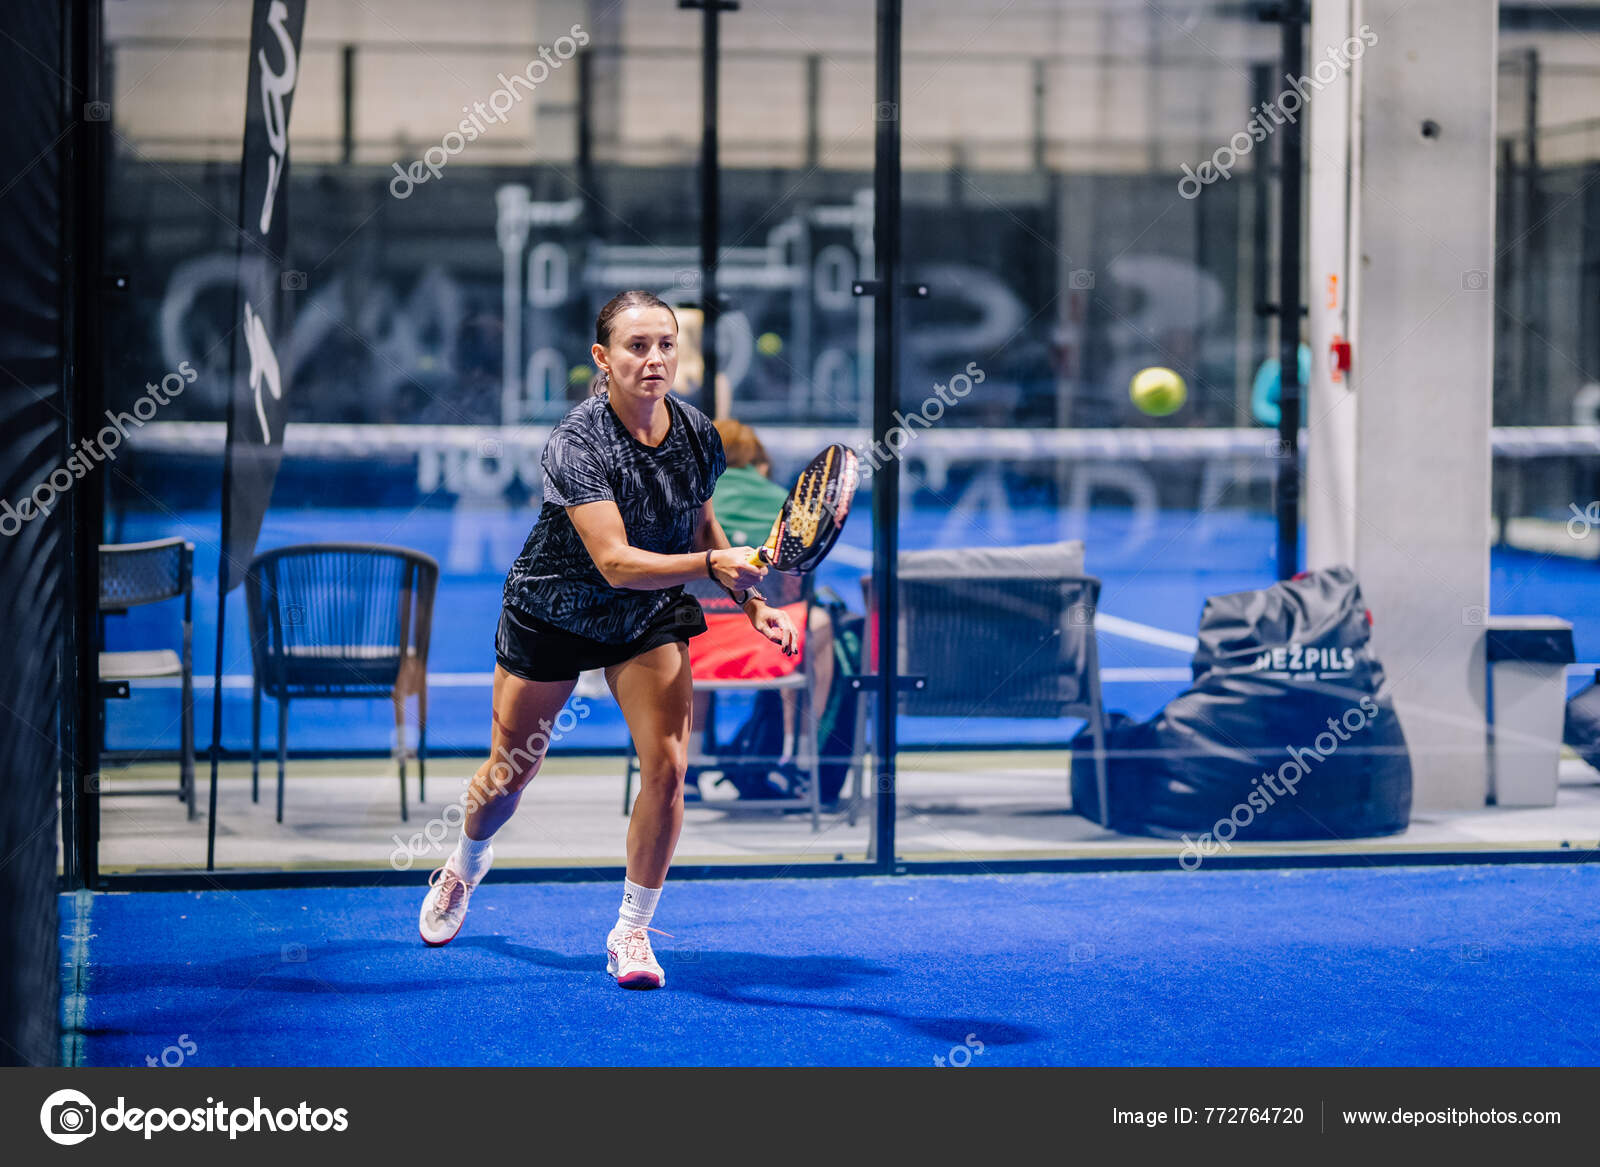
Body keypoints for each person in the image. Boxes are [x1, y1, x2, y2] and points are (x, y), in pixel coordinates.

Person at [417, 290, 798, 990]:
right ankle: (465, 865)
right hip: (553, 609)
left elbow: (701, 528)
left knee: (669, 769)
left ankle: (631, 930)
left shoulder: (696, 433)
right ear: (603, 356)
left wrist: (751, 601)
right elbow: (615, 560)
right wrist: (712, 567)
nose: (654, 359)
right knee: (508, 776)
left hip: (644, 617)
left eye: (665, 345)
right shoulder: (575, 441)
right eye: (636, 346)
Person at [693, 420, 835, 798]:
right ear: (760, 465)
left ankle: (687, 765)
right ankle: (798, 760)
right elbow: (798, 586)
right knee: (816, 621)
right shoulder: (785, 506)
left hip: (693, 642)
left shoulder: (686, 502)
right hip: (769, 638)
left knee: (680, 617)